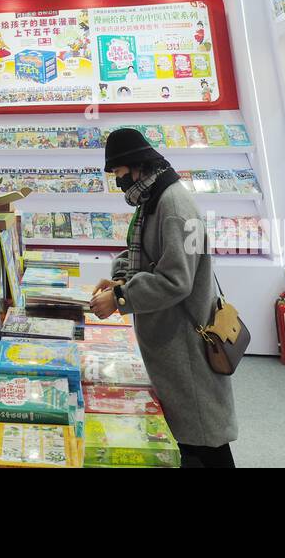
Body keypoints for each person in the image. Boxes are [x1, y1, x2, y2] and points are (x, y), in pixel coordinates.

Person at [91, 127, 238, 468]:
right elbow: (142, 252)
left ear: (136, 165)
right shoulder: (154, 197)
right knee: (189, 432)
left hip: (186, 342)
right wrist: (118, 280)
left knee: (202, 432)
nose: (118, 182)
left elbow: (175, 280)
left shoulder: (173, 207)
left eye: (119, 173)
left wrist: (120, 298)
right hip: (171, 338)